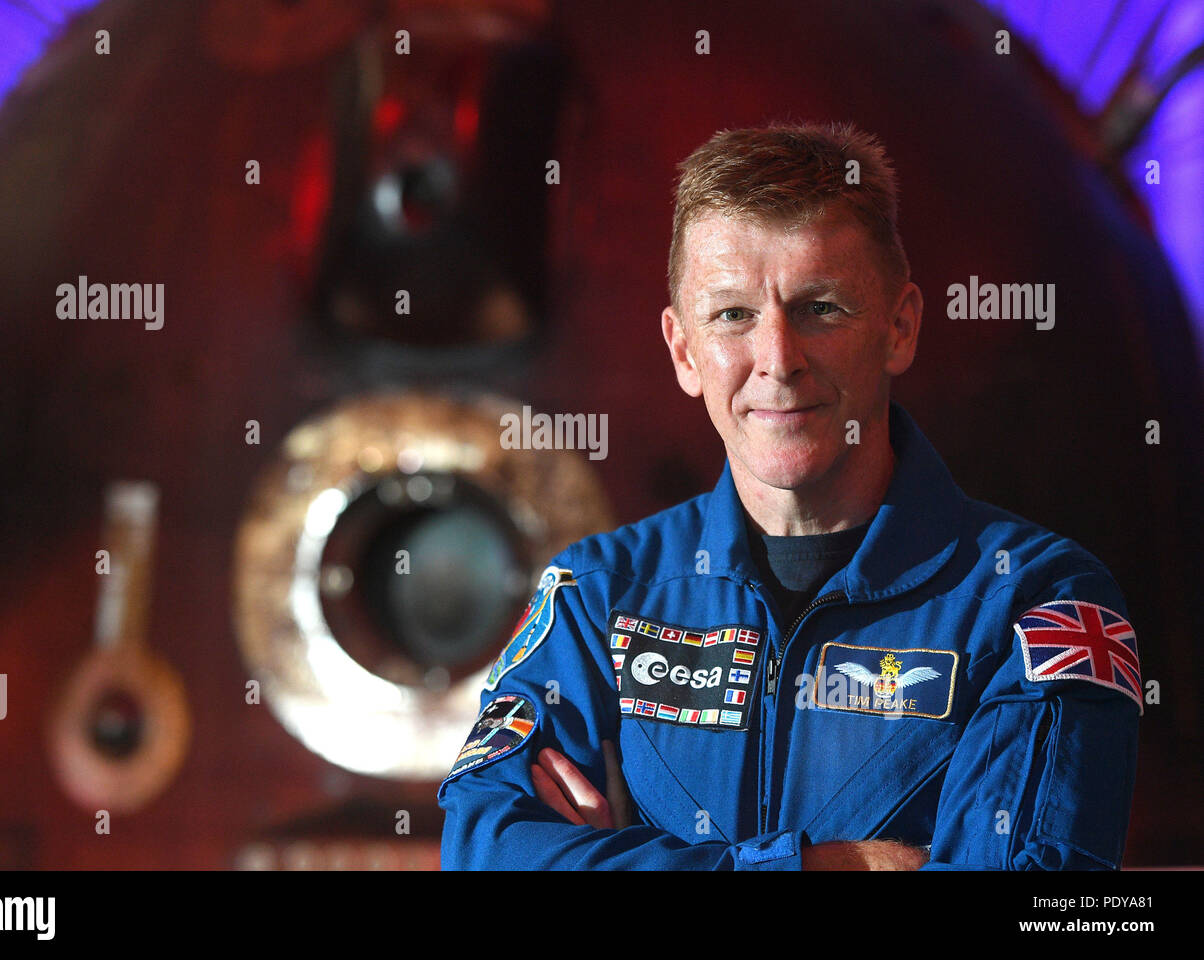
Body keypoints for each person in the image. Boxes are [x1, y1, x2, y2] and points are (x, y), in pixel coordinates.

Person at [437, 121, 1142, 870]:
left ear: (899, 328)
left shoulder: (1039, 604)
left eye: (821, 308)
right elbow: (484, 852)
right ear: (685, 350)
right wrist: (822, 866)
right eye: (734, 314)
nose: (777, 361)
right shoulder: (598, 596)